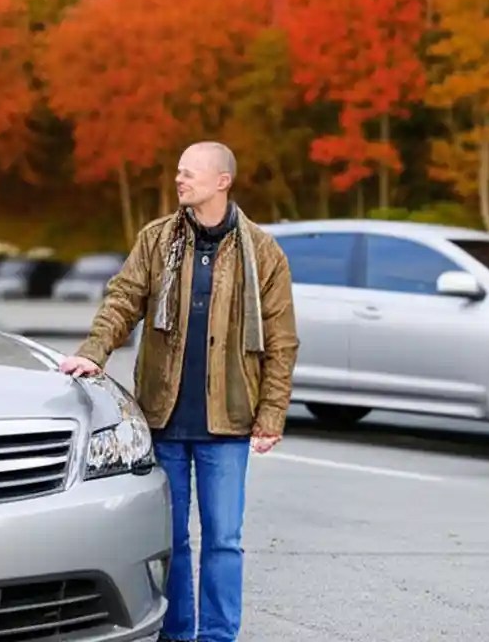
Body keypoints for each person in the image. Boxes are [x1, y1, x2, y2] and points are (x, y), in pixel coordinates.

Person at [60, 141, 299, 642]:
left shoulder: (262, 251)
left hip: (228, 421)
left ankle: (217, 636)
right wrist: (94, 352)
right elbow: (123, 300)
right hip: (162, 417)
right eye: (177, 172)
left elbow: (281, 340)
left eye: (189, 173)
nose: (179, 180)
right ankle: (177, 634)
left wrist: (271, 414)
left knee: (224, 541)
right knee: (171, 538)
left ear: (222, 181)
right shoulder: (157, 239)